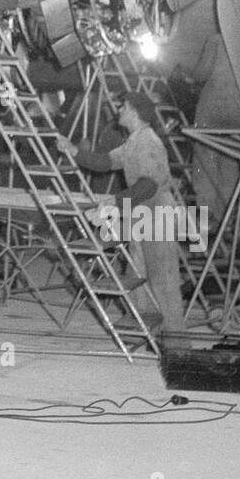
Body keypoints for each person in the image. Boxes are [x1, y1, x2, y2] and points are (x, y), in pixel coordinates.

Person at [58, 92, 187, 337]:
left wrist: (114, 203)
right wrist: (74, 151)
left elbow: (148, 185)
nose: (119, 111)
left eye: (124, 107)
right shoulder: (133, 142)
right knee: (137, 277)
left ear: (135, 113)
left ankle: (176, 344)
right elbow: (106, 162)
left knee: (163, 281)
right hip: (142, 212)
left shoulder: (148, 143)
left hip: (157, 214)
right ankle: (151, 335)